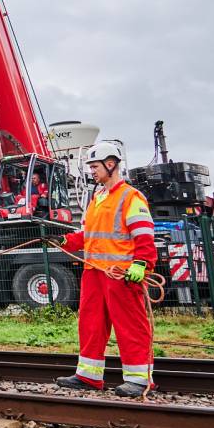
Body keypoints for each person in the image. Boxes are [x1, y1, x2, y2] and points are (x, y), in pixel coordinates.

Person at [52, 142, 157, 397]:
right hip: (94, 272)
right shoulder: (97, 198)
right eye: (90, 167)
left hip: (120, 274)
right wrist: (65, 240)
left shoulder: (131, 197)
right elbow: (89, 234)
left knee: (130, 324)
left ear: (111, 164)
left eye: (95, 166)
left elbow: (144, 236)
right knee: (91, 324)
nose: (91, 171)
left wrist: (141, 265)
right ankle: (88, 376)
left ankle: (140, 380)